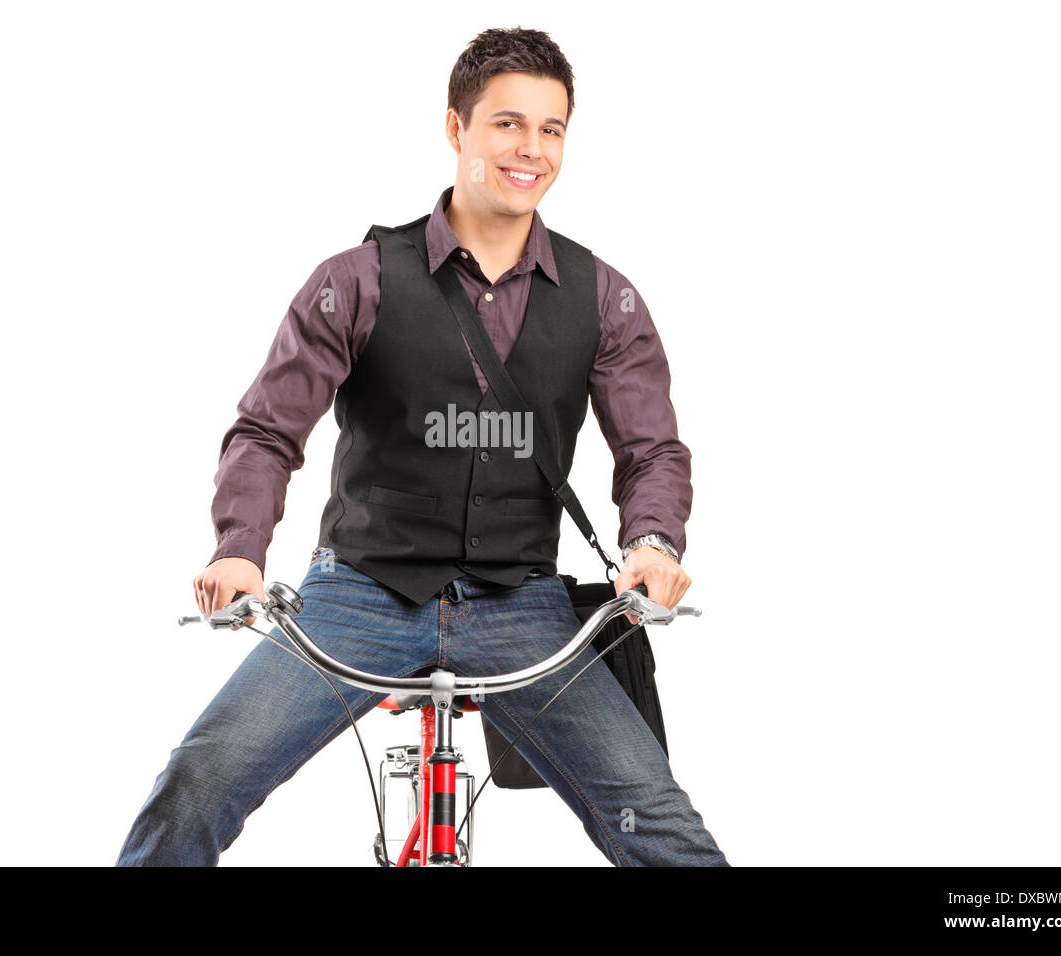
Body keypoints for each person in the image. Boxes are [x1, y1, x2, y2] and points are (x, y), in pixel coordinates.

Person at [116, 26, 730, 867]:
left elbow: (652, 448)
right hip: (361, 595)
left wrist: (652, 545)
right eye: (508, 124)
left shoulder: (604, 299)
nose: (532, 149)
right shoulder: (357, 280)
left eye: (552, 130)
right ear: (456, 129)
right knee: (199, 779)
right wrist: (240, 553)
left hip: (523, 609)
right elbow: (267, 430)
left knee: (662, 828)